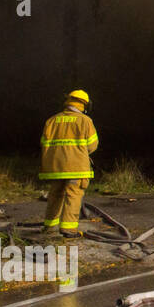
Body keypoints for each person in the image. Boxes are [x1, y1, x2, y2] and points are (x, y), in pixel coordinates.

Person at [40, 90, 99, 237]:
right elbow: (93, 145)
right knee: (73, 194)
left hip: (55, 167)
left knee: (55, 194)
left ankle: (49, 226)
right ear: (84, 104)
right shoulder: (85, 121)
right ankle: (68, 228)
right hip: (76, 167)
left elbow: (43, 143)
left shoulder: (52, 120)